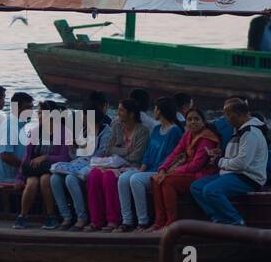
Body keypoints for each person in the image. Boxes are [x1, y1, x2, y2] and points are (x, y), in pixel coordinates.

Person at [189, 97, 268, 226]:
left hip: (248, 177)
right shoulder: (239, 129)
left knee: (211, 191)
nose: (226, 119)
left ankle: (236, 221)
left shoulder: (250, 133)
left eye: (229, 115)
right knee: (196, 187)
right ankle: (218, 218)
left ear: (239, 115)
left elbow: (242, 163)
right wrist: (221, 154)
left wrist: (219, 162)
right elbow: (236, 155)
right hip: (233, 173)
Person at [116, 96, 182, 230]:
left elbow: (171, 157)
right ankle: (127, 220)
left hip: (161, 170)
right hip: (149, 168)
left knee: (136, 179)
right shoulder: (157, 129)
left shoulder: (174, 131)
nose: (154, 112)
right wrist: (142, 169)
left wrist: (153, 171)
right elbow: (147, 153)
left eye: (156, 109)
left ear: (161, 111)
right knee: (123, 178)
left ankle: (143, 221)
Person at [151, 107, 222, 229]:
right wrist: (163, 169)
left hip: (202, 174)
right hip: (187, 171)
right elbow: (175, 153)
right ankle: (159, 222)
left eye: (196, 119)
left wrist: (171, 172)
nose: (193, 122)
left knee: (168, 181)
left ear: (203, 122)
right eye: (189, 119)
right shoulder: (188, 134)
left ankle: (171, 223)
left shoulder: (206, 138)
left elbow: (197, 165)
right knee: (156, 180)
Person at [84, 99, 149, 231]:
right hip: (113, 163)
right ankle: (96, 220)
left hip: (132, 166)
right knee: (94, 175)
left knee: (108, 177)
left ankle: (113, 220)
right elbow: (108, 149)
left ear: (131, 114)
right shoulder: (116, 125)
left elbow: (136, 156)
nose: (118, 113)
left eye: (121, 110)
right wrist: (125, 151)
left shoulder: (142, 131)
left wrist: (119, 154)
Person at [48, 97, 113, 231]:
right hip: (78, 163)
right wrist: (72, 147)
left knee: (71, 178)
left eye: (83, 116)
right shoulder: (83, 131)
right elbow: (74, 156)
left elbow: (101, 154)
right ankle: (66, 216)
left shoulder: (106, 132)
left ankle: (82, 217)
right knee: (55, 178)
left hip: (94, 165)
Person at [15, 101, 74, 229]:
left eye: (40, 113)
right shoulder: (36, 131)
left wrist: (45, 157)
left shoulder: (64, 132)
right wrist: (20, 176)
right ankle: (22, 216)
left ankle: (51, 216)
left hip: (52, 168)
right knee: (31, 183)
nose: (38, 116)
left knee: (45, 180)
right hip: (36, 168)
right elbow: (27, 156)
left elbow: (65, 157)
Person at [0, 91, 33, 183]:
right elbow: (5, 156)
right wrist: (27, 167)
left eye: (31, 108)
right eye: (27, 108)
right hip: (8, 182)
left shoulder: (19, 125)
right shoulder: (10, 126)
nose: (31, 112)